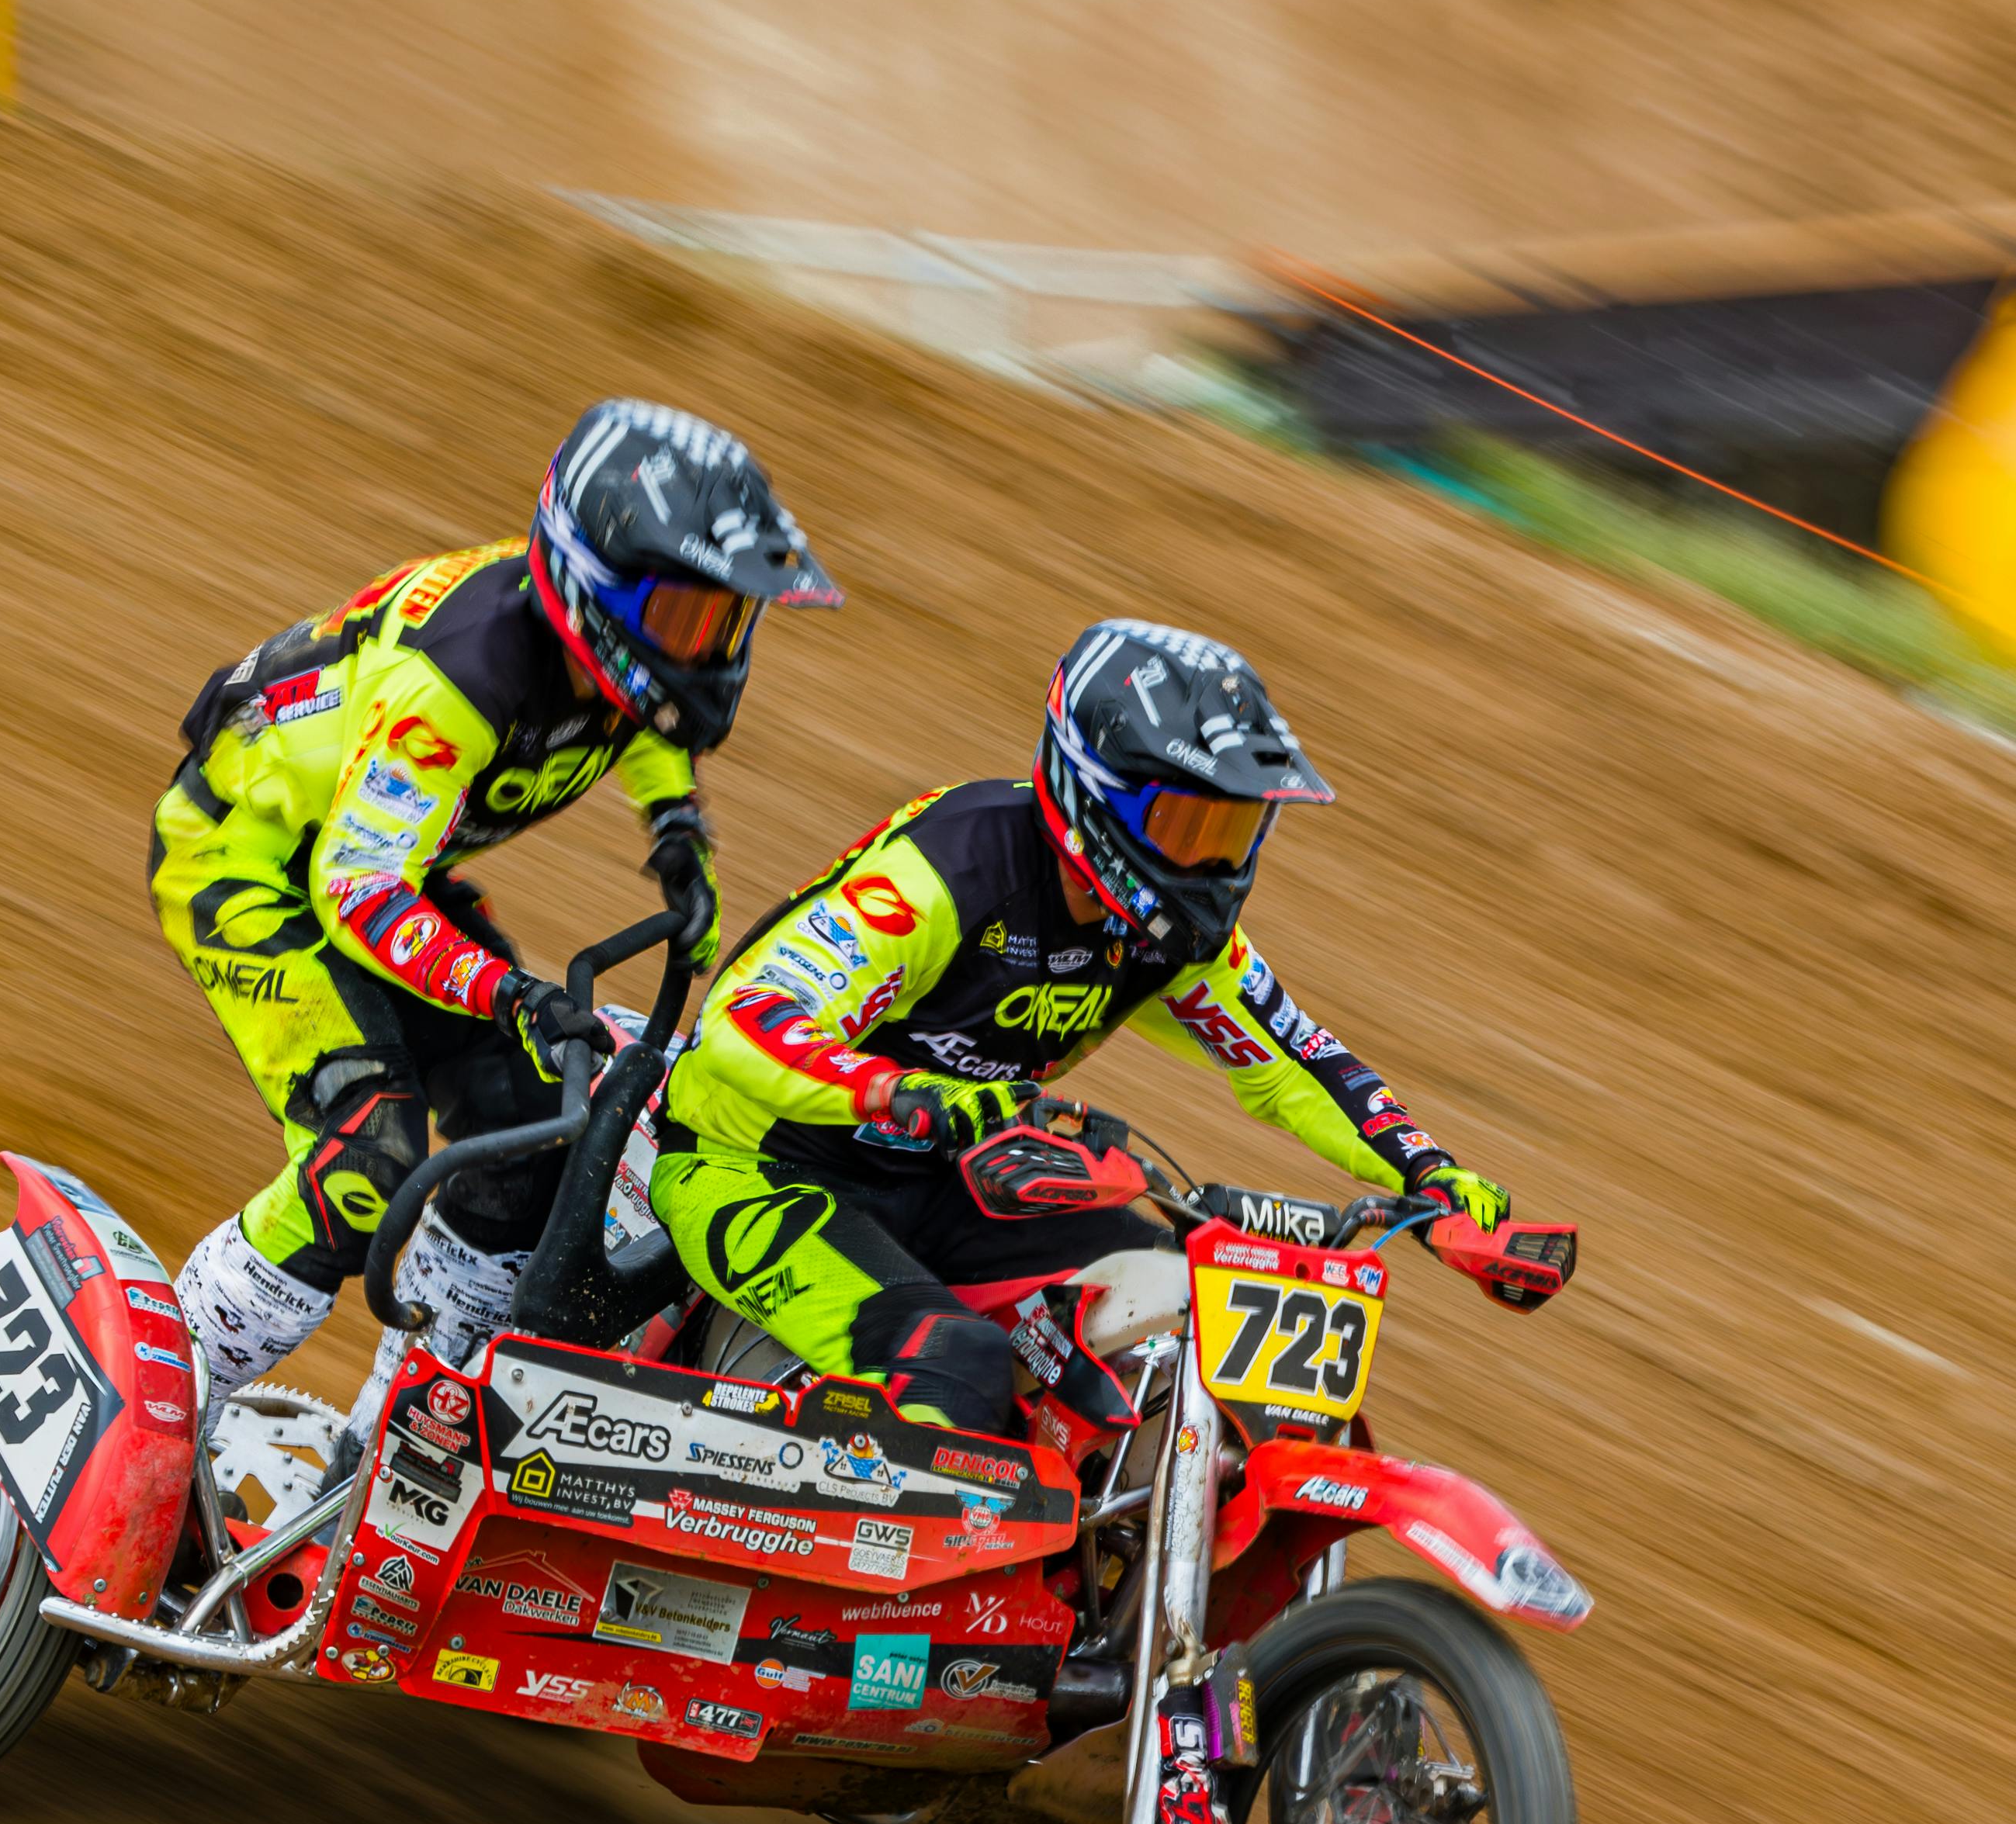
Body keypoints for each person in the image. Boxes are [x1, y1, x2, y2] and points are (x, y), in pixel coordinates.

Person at [153, 399, 839, 1442]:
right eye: (687, 621)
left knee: (526, 1153)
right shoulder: (460, 677)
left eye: (725, 623)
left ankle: (388, 1449)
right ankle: (158, 1398)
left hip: (385, 870)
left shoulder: (599, 655)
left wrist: (675, 824)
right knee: (361, 1164)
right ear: (591, 588)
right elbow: (355, 890)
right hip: (252, 865)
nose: (709, 651)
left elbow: (645, 719)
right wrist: (504, 989)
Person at [647, 618, 1511, 1437]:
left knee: (1187, 1317)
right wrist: (896, 1091)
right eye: (1186, 825)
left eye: (1233, 831)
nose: (1210, 866)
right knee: (956, 1364)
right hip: (754, 1168)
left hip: (955, 1185)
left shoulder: (1166, 936)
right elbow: (742, 1021)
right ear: (1091, 794)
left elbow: (1295, 1062)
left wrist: (1431, 1176)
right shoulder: (949, 869)